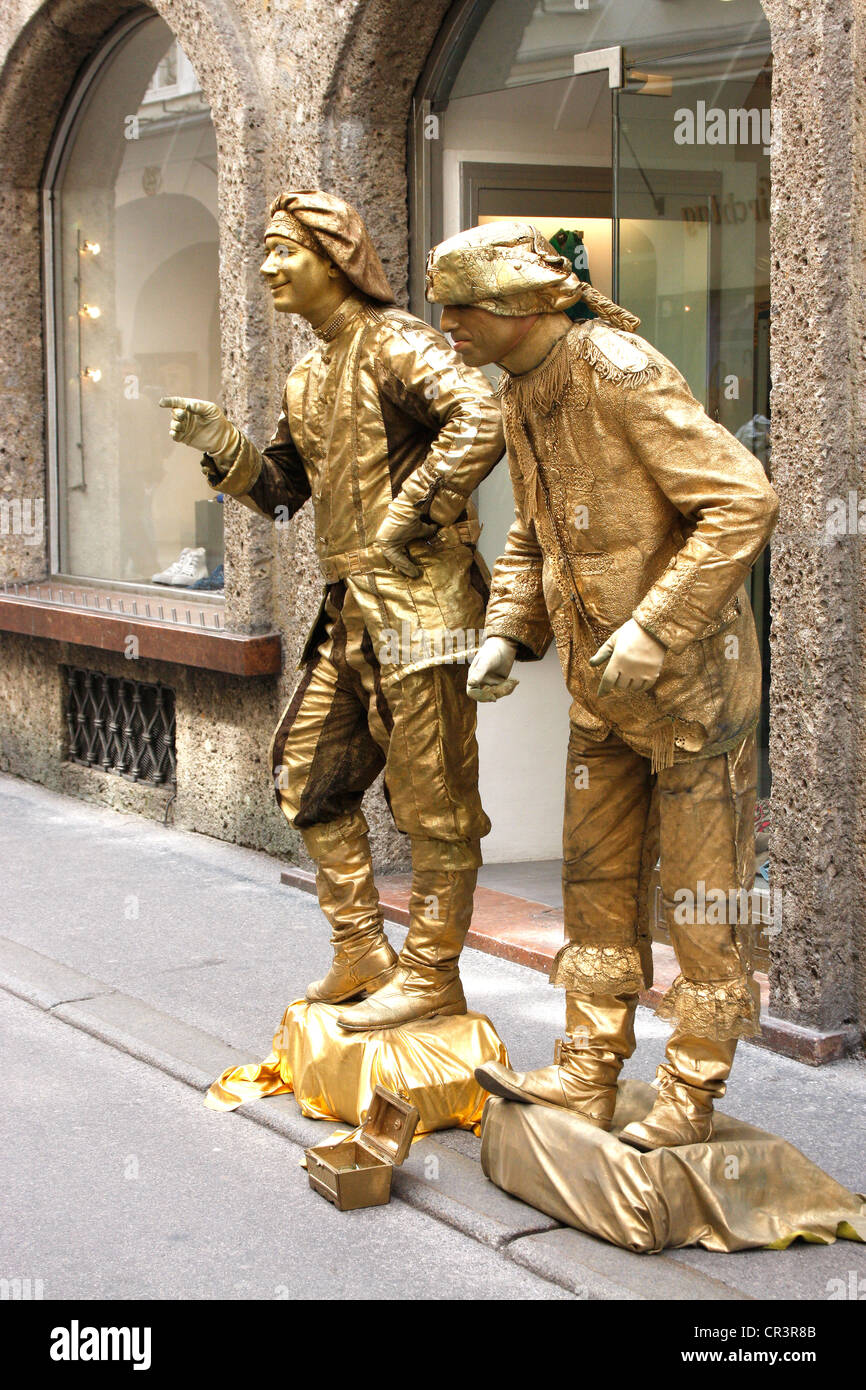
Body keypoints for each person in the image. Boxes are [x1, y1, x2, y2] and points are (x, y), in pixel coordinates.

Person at [425, 220, 779, 1148]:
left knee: (705, 903)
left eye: (458, 306)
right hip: (600, 695)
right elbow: (532, 535)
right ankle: (588, 1068)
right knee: (597, 885)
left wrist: (659, 628)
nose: (447, 324)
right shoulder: (518, 390)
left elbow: (743, 500)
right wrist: (507, 631)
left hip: (694, 691)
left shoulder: (617, 368)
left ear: (518, 304)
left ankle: (691, 1091)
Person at [160, 190, 504, 1031]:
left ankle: (431, 974)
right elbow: (283, 495)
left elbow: (480, 416)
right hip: (345, 610)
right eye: (267, 250)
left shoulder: (400, 342)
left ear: (336, 254)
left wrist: (410, 508)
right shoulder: (308, 372)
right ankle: (362, 950)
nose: (270, 266)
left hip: (425, 607)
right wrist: (224, 448)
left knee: (436, 803)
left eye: (286, 249)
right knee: (306, 777)